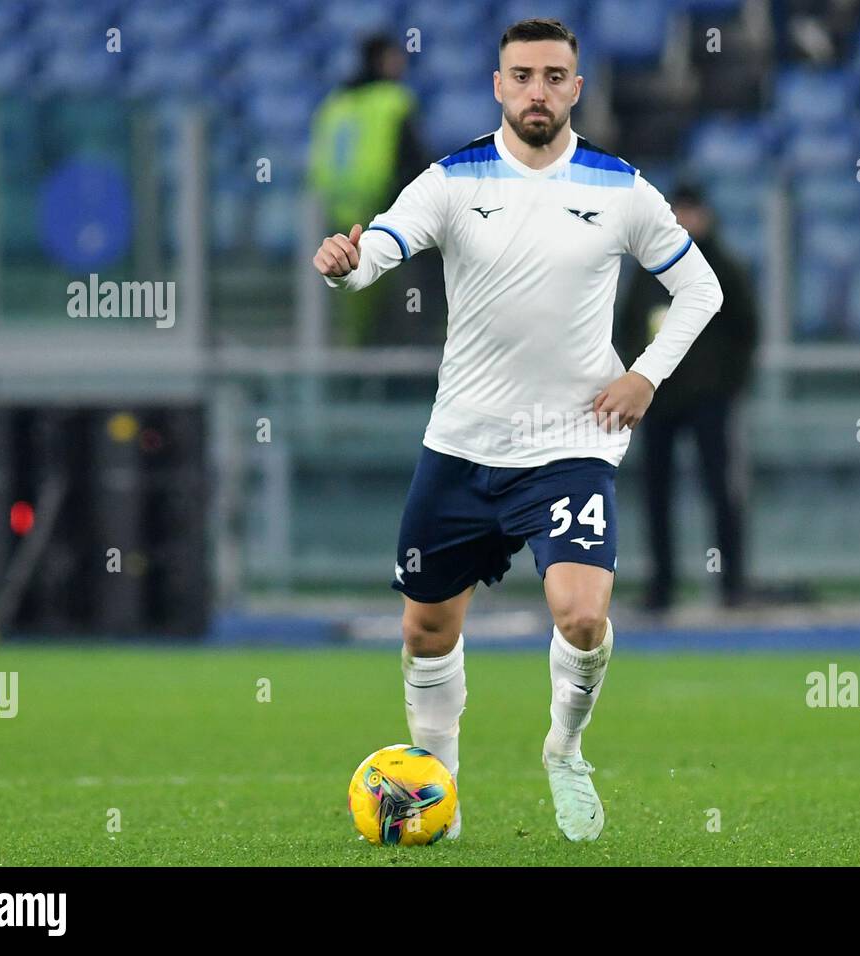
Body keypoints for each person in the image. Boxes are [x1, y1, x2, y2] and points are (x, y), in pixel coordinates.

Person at [313, 18, 724, 842]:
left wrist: (645, 374)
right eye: (522, 75)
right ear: (498, 86)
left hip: (569, 447)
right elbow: (384, 246)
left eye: (555, 75)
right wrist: (350, 262)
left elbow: (701, 290)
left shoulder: (620, 187)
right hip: (463, 443)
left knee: (580, 615)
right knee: (427, 628)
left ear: (576, 88)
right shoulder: (451, 179)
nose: (538, 90)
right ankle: (443, 793)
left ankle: (564, 749)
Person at [615, 183, 758, 611]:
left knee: (721, 489)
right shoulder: (650, 268)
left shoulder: (724, 268)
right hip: (658, 399)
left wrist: (726, 386)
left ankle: (732, 584)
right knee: (657, 493)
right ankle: (662, 587)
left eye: (692, 211)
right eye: (680, 212)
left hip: (709, 400)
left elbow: (746, 330)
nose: (687, 220)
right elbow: (627, 326)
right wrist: (639, 378)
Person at [308, 35, 429, 345]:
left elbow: (319, 162)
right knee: (400, 305)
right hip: (384, 212)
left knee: (356, 311)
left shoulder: (335, 104)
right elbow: (412, 160)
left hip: (339, 215)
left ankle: (357, 369)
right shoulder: (393, 100)